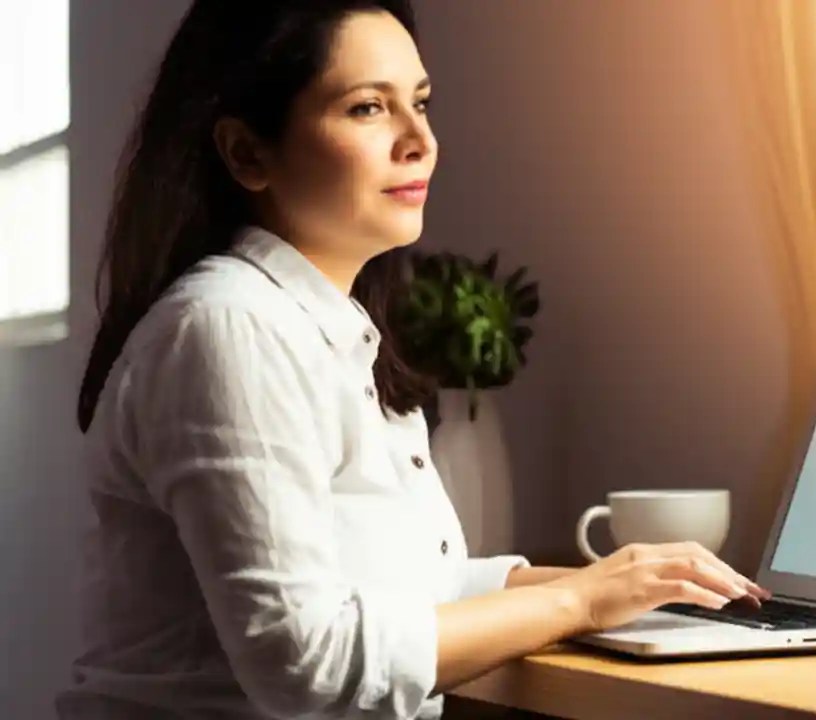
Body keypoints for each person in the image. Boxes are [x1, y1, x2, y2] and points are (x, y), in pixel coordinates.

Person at [55, 2, 769, 718]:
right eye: (368, 108)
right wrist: (577, 601)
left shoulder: (321, 329)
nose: (420, 140)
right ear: (247, 152)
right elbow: (304, 662)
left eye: (420, 103)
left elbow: (405, 587)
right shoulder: (228, 327)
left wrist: (630, 581)